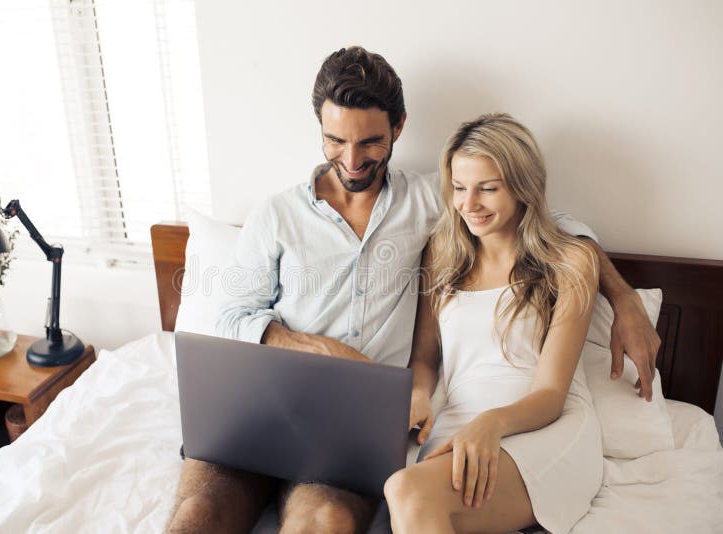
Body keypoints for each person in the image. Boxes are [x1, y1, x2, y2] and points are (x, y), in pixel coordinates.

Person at [166, 46, 659, 534]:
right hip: (259, 407)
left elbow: (545, 222)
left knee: (324, 524)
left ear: (399, 127)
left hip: (346, 427)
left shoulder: (434, 200)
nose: (352, 159)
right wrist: (326, 352)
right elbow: (231, 318)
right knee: (197, 517)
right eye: (334, 140)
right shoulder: (276, 216)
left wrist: (623, 297)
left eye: (370, 142)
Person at [384, 113, 603, 533]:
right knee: (405, 490)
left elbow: (553, 393)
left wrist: (492, 423)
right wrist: (418, 394)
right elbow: (426, 358)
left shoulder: (572, 261)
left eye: (488, 188)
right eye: (460, 188)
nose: (469, 204)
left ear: (523, 187)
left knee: (407, 491)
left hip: (544, 430)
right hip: (461, 421)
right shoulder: (442, 252)